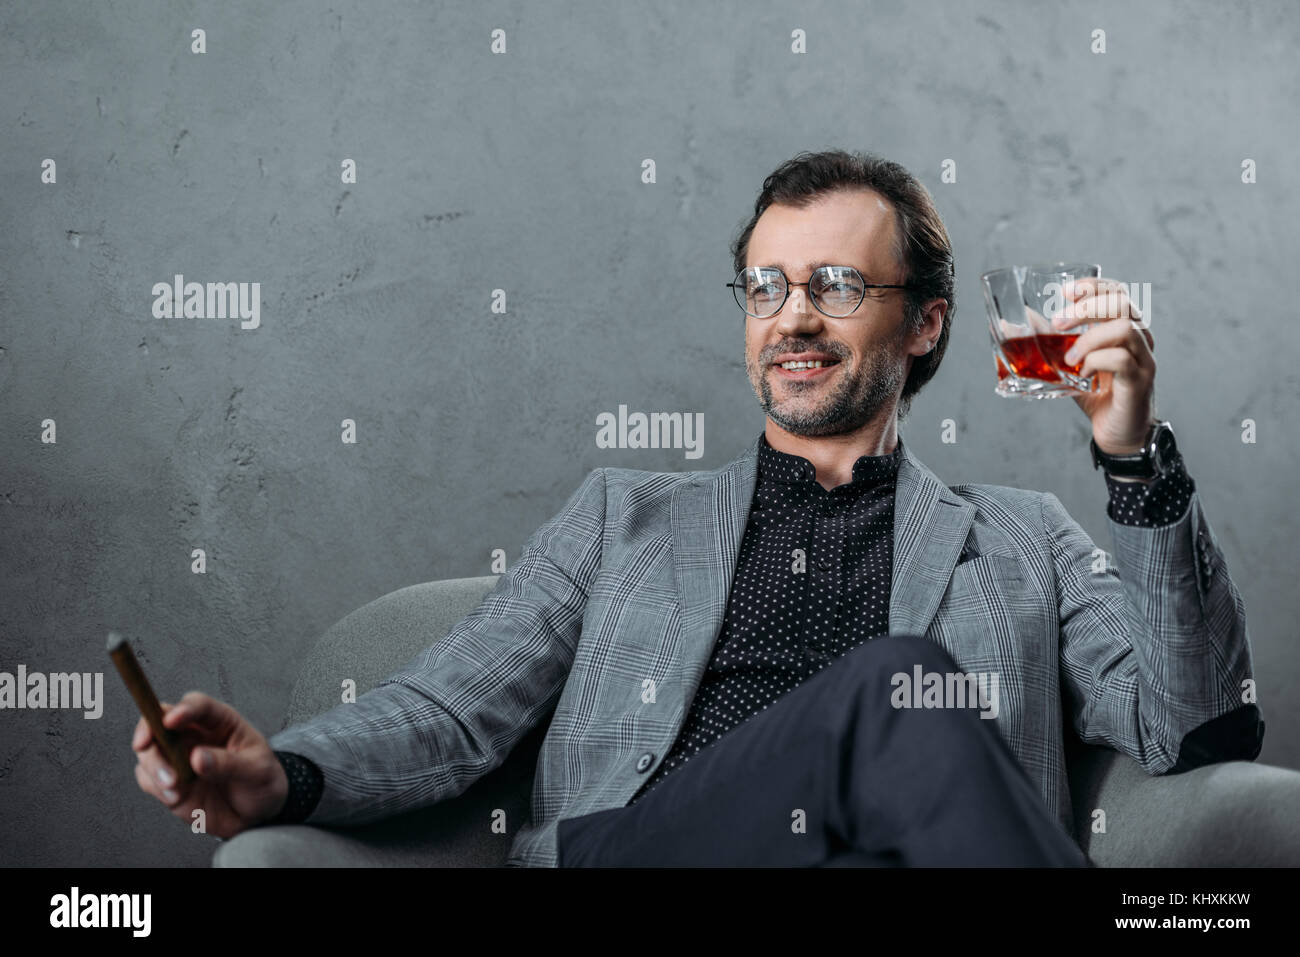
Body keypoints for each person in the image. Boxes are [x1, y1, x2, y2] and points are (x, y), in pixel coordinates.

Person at [132, 149, 1264, 867]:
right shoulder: (626, 515)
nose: (793, 318)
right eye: (767, 287)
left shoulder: (1024, 539)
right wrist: (285, 772)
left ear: (924, 325)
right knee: (893, 683)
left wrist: (1132, 461)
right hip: (654, 850)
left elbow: (1195, 728)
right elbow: (452, 706)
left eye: (836, 285)